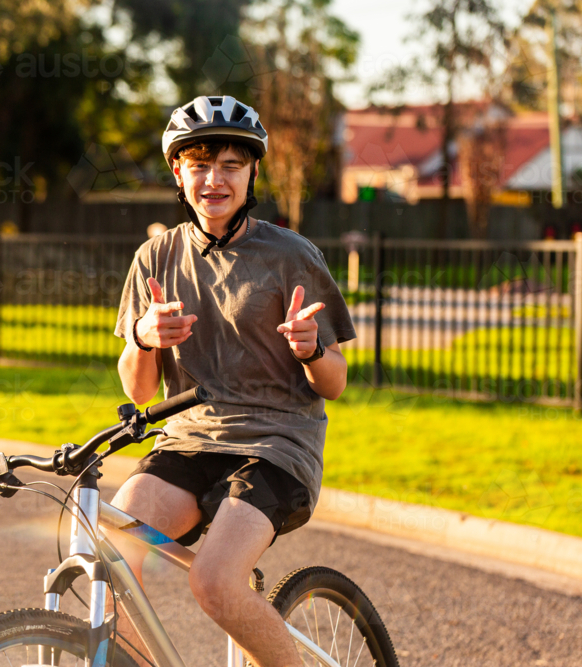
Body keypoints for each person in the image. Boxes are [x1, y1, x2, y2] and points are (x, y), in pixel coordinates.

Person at [110, 95, 356, 667]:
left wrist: (312, 349)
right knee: (113, 559)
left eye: (230, 165)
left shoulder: (292, 255)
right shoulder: (155, 257)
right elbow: (139, 390)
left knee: (216, 584)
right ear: (178, 171)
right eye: (199, 164)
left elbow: (335, 383)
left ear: (251, 174)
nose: (214, 180)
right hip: (189, 441)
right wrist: (144, 337)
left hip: (276, 447)